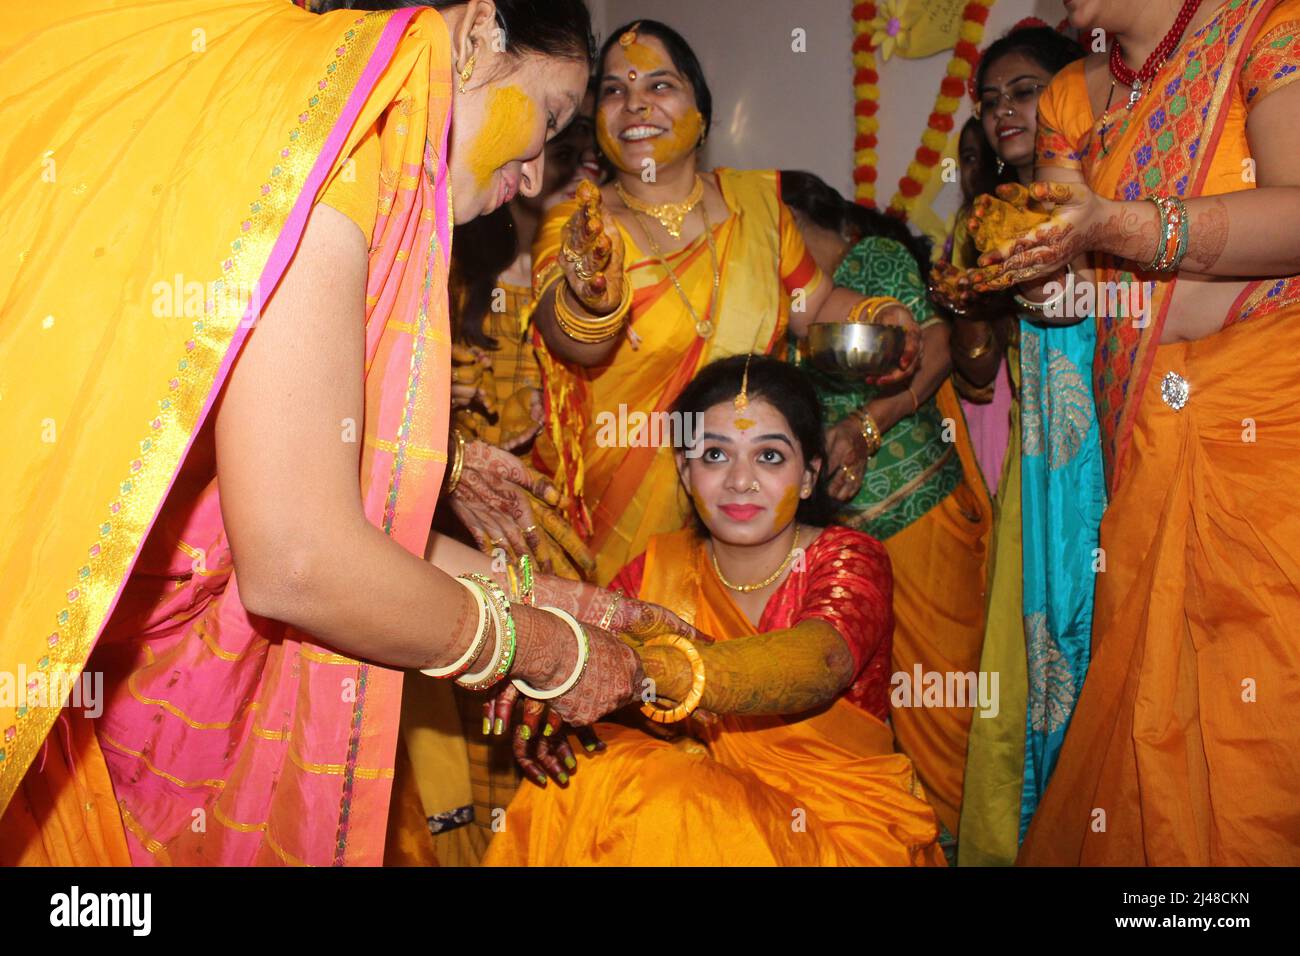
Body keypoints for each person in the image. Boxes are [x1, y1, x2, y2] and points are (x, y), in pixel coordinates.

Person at [0, 0, 688, 867]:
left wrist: (578, 608)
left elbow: (333, 517)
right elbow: (299, 558)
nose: (537, 171)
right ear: (479, 29)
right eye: (547, 117)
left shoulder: (329, 128)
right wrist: (546, 652)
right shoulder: (336, 142)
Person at [968, 0, 1300, 865]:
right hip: (1144, 441)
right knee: (1151, 719)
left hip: (1273, 430)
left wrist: (1119, 224)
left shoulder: (1272, 27)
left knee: (1264, 728)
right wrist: (1041, 279)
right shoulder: (1073, 98)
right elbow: (1078, 285)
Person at [482, 356, 946, 866]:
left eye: (769, 457)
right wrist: (548, 687)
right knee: (580, 786)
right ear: (684, 471)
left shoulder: (848, 558)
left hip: (833, 826)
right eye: (714, 455)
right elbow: (587, 655)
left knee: (675, 800)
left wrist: (657, 671)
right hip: (694, 816)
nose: (740, 481)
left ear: (810, 475)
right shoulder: (659, 568)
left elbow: (824, 662)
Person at [529, 19, 921, 586]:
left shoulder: (759, 206)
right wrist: (593, 295)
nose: (635, 105)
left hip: (744, 489)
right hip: (616, 502)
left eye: (660, 86)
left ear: (703, 113)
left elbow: (817, 303)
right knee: (632, 651)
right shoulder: (578, 227)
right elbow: (573, 344)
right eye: (614, 90)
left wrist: (875, 315)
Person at [780, 171, 990, 847]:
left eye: (775, 227)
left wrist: (866, 430)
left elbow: (933, 351)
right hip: (837, 547)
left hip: (919, 515)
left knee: (944, 717)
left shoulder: (873, 261)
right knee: (871, 724)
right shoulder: (775, 296)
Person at [931, 24, 1095, 867]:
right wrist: (966, 302)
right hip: (1032, 467)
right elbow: (979, 378)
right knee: (1023, 664)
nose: (1003, 112)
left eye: (1024, 91)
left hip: (1114, 443)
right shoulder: (986, 219)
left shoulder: (1109, 194)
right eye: (990, 100)